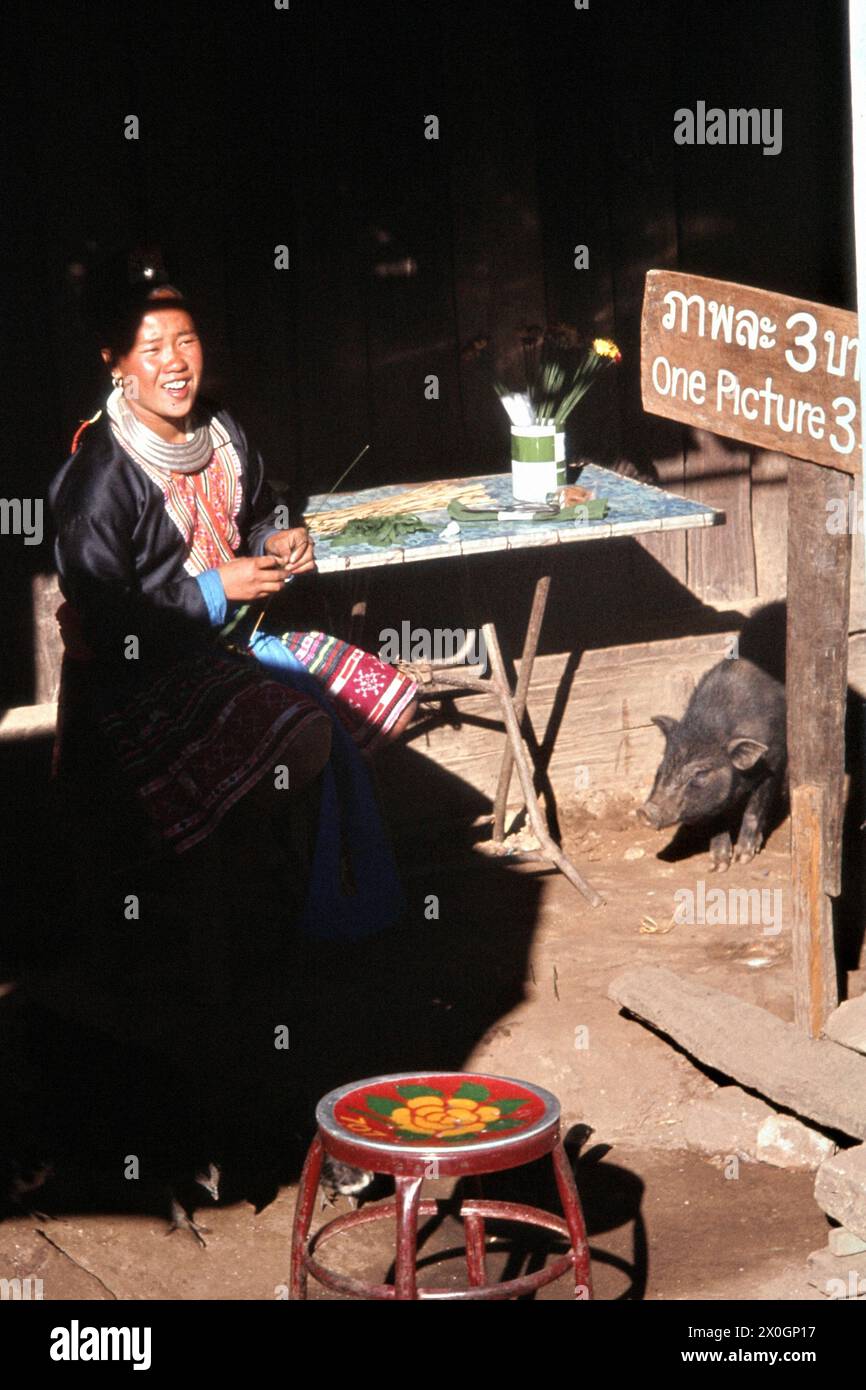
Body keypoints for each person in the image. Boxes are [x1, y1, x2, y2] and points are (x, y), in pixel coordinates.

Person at [50, 259, 417, 941]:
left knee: (380, 688)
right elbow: (106, 619)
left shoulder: (221, 434)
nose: (175, 363)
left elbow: (256, 510)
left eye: (185, 341)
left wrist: (278, 539)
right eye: (152, 348)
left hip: (234, 649)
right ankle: (240, 902)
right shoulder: (98, 478)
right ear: (117, 363)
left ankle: (308, 889)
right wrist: (219, 589)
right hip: (141, 681)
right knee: (301, 733)